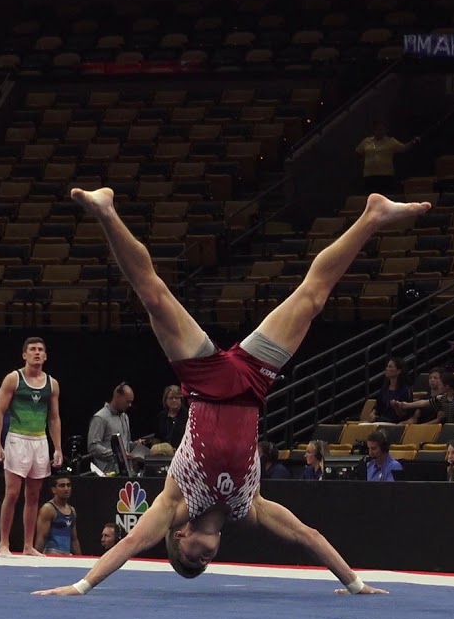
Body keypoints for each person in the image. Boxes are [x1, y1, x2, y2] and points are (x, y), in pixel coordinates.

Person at [34, 187, 408, 597]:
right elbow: (308, 535)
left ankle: (105, 211)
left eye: (192, 560)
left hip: (205, 382)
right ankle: (372, 215)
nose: (203, 559)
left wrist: (81, 585)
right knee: (312, 297)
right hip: (252, 384)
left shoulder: (174, 505)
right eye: (203, 564)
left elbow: (130, 544)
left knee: (154, 295)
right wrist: (355, 583)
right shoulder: (250, 507)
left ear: (179, 538)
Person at [0, 336, 63, 557]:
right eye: (32, 349)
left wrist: (57, 447)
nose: (37, 353)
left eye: (41, 349)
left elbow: (54, 418)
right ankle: (4, 543)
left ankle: (28, 546)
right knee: (12, 494)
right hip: (17, 439)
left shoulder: (52, 384)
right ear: (24, 355)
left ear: (46, 355)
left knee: (33, 496)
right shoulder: (13, 379)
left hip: (39, 441)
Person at [87, 383, 142, 474]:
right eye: (127, 401)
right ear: (117, 396)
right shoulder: (100, 418)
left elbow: (125, 444)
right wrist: (117, 455)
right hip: (108, 473)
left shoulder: (125, 417)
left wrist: (135, 445)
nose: (130, 405)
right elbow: (93, 446)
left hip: (125, 471)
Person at [355, 120, 416, 194]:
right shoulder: (366, 141)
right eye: (378, 129)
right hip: (369, 175)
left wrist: (413, 142)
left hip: (386, 175)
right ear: (374, 130)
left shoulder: (391, 141)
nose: (381, 131)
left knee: (386, 196)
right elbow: (358, 152)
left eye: (382, 129)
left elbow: (404, 148)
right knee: (371, 197)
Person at [37, 475, 81, 556]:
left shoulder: (72, 510)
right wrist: (36, 560)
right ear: (54, 490)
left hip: (67, 555)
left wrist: (80, 559)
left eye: (68, 485)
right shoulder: (48, 509)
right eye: (62, 486)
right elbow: (41, 537)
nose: (66, 489)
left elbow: (74, 539)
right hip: (52, 554)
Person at [362, 356, 413, 423]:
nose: (386, 369)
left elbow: (404, 416)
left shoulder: (405, 391)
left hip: (395, 423)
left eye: (390, 367)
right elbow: (377, 407)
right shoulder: (384, 389)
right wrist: (373, 414)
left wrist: (396, 408)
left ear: (398, 371)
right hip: (380, 420)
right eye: (387, 366)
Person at [155, 385, 188, 449]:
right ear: (166, 400)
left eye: (177, 398)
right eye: (171, 398)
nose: (174, 400)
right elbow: (157, 438)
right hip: (163, 454)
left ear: (181, 400)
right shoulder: (161, 416)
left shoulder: (187, 415)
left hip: (182, 453)